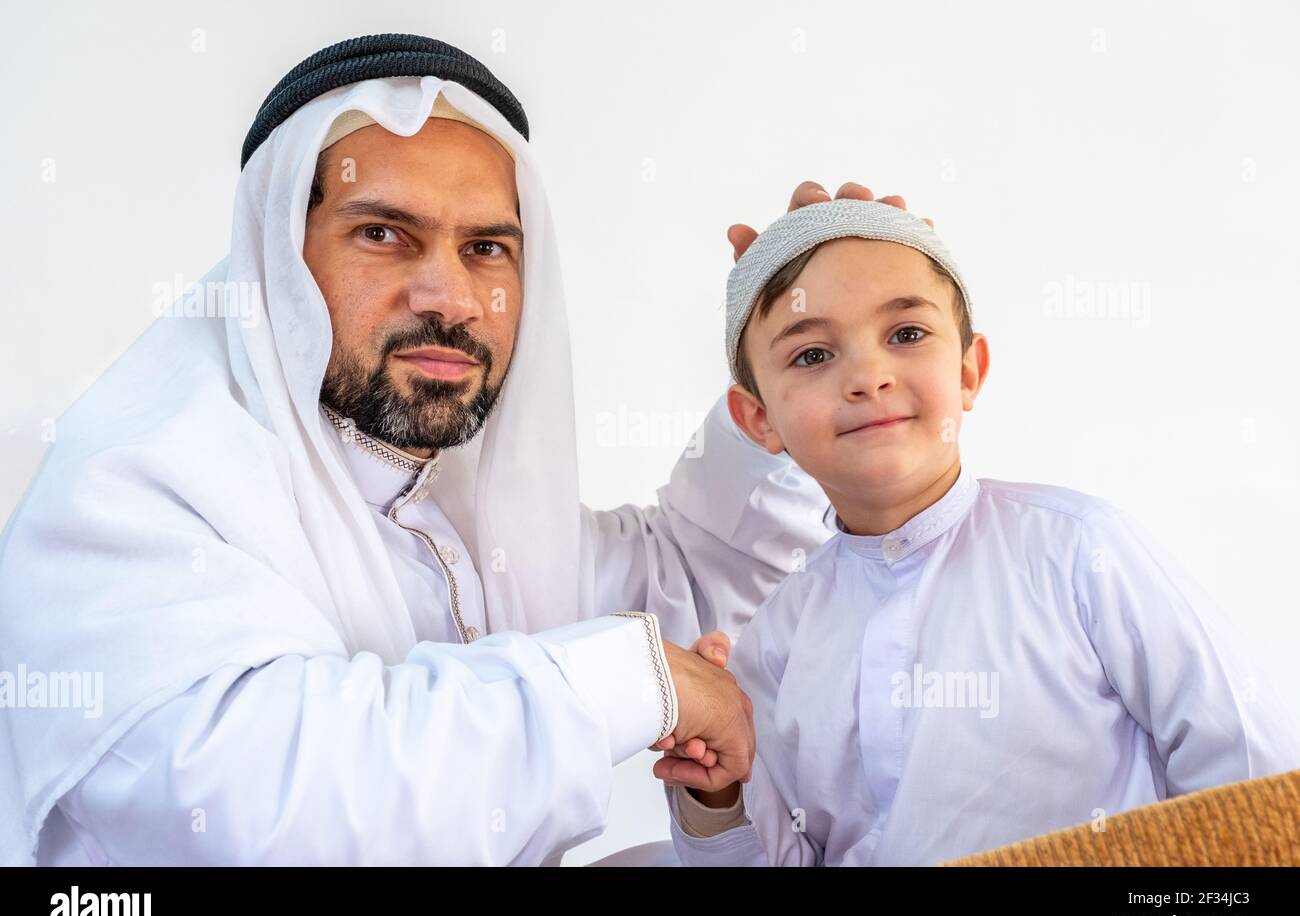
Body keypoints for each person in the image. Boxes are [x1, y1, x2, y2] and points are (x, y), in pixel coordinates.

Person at [0, 33, 925, 866]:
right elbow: (251, 802)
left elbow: (696, 587)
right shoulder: (133, 486)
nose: (447, 294)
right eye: (382, 234)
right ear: (276, 257)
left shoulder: (448, 507)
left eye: (486, 247)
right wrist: (627, 679)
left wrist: (796, 372)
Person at [657, 197, 1300, 865]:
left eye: (905, 334)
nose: (868, 377)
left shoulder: (1080, 553)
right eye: (813, 353)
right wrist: (719, 794)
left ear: (968, 370)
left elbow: (1251, 769)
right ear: (757, 419)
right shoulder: (775, 646)